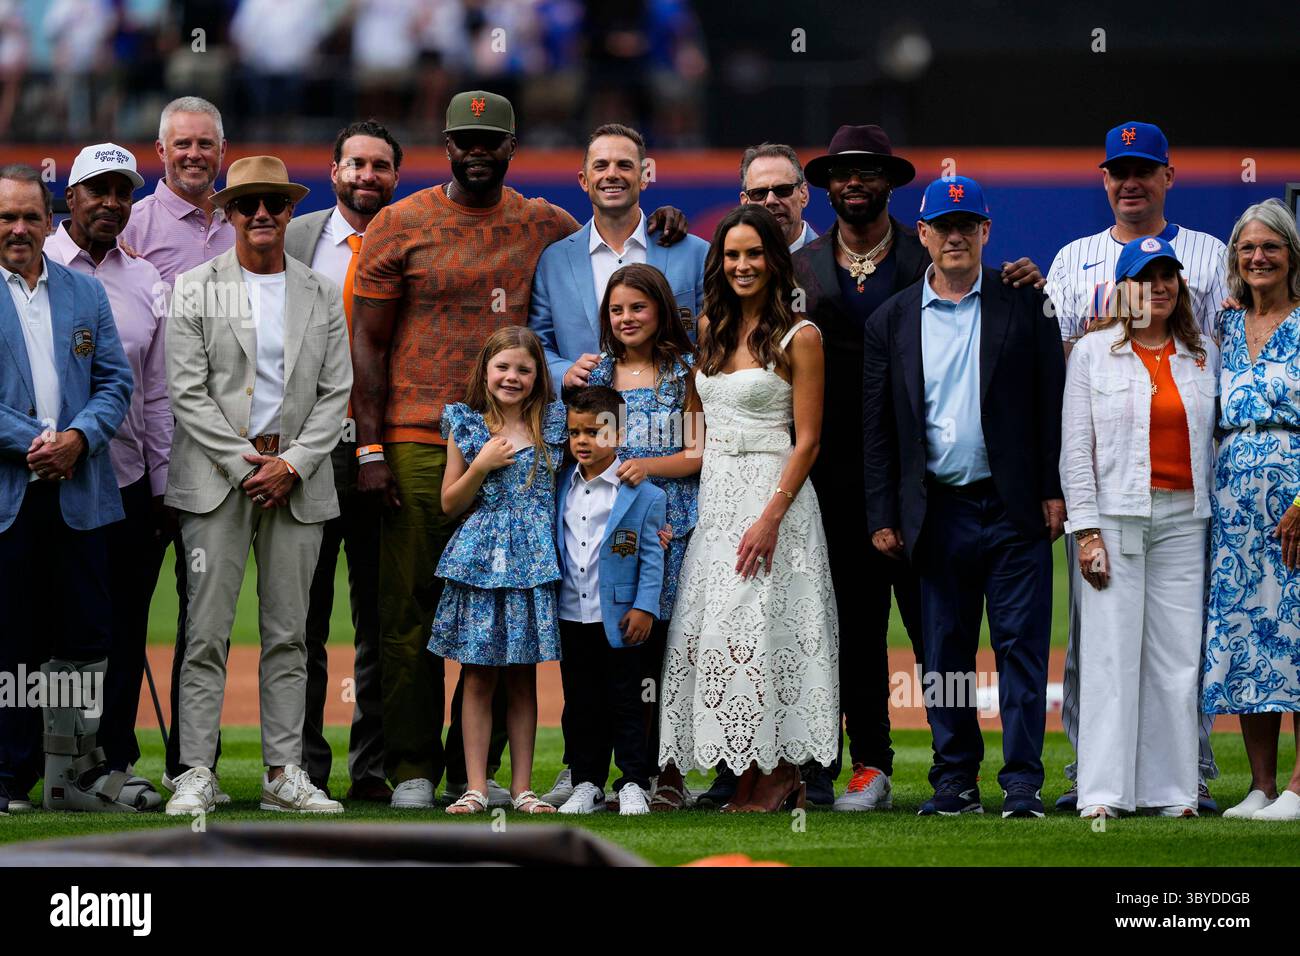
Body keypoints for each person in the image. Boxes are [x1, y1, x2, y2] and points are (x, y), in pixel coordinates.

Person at [790, 124, 1043, 811]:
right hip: (851, 479)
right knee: (869, 632)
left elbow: (1043, 392)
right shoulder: (806, 267)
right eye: (843, 172)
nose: (854, 182)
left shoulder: (973, 277)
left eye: (869, 171)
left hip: (957, 487)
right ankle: (890, 767)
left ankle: (991, 778)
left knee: (970, 641)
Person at [350, 91, 580, 810]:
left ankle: (472, 777)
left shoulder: (544, 222)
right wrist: (369, 448)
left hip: (518, 444)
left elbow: (607, 253)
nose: (476, 151)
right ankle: (413, 767)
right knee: (410, 610)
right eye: (463, 140)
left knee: (504, 616)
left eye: (490, 141)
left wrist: (660, 230)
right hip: (419, 436)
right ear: (445, 146)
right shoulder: (401, 222)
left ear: (511, 147)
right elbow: (367, 344)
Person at [863, 176, 1065, 819]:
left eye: (967, 224)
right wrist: (882, 513)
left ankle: (1023, 783)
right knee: (946, 652)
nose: (955, 236)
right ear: (921, 234)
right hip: (937, 509)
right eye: (942, 226)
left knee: (1021, 650)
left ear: (985, 231)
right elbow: (879, 429)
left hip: (1011, 509)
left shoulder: (1025, 302)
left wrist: (1054, 491)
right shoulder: (890, 319)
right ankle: (955, 780)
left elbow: (1051, 404)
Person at [1046, 120, 1229, 813]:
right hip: (1117, 513)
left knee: (1176, 657)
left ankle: (1176, 788)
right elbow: (1076, 445)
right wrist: (1085, 528)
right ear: (1121, 287)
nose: (1156, 287)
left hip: (1186, 513)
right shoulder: (1094, 353)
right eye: (1142, 279)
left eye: (1165, 278)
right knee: (1109, 655)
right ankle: (1100, 790)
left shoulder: (1200, 355)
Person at [163, 156, 352, 816]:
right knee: (205, 633)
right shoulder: (194, 287)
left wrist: (292, 463)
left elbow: (337, 392)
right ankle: (194, 772)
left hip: (296, 479)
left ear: (289, 209)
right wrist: (250, 467)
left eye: (274, 202)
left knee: (290, 634)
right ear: (227, 213)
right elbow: (186, 393)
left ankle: (283, 773)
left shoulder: (320, 293)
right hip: (220, 482)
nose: (263, 214)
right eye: (248, 205)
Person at [658, 204, 839, 813]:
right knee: (723, 629)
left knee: (775, 626)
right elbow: (694, 435)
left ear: (774, 260)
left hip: (776, 496)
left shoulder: (801, 335)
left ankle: (783, 771)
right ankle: (745, 764)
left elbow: (809, 439)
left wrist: (770, 516)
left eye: (754, 254)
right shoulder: (708, 329)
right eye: (732, 255)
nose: (742, 265)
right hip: (716, 496)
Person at [0, 163, 142, 814]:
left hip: (81, 491)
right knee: (13, 639)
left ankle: (70, 771)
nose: (19, 228)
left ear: (50, 218)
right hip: (11, 492)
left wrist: (79, 438)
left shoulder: (83, 294)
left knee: (85, 637)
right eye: (7, 217)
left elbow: (116, 381)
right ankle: (10, 774)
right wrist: (32, 440)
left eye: (30, 215)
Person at [44, 144, 170, 795]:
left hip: (121, 484)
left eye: (123, 193)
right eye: (99, 191)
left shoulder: (146, 279)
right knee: (41, 627)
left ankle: (112, 758)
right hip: (42, 482)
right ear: (71, 197)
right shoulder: (34, 269)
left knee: (120, 631)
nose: (111, 204)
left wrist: (161, 487)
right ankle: (37, 761)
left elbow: (155, 397)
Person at [119, 94, 235, 798]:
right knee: (124, 615)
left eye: (205, 144)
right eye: (181, 144)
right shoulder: (131, 228)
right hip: (144, 453)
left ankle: (196, 767)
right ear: (161, 152)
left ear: (221, 151)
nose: (194, 154)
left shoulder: (246, 224)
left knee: (207, 621)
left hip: (224, 457)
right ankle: (111, 759)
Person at [284, 119, 401, 802]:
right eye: (355, 163)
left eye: (379, 166)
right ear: (333, 172)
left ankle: (376, 769)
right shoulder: (295, 240)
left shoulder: (413, 234)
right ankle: (299, 765)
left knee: (383, 622)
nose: (366, 176)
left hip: (386, 449)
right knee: (300, 621)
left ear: (394, 175)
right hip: (308, 454)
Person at [571, 263, 699, 811]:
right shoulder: (598, 374)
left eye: (638, 307)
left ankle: (664, 770)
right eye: (617, 309)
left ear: (661, 309)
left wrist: (647, 466)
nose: (627, 318)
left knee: (666, 647)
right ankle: (595, 772)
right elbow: (573, 438)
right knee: (611, 649)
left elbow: (699, 452)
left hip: (672, 521)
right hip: (608, 525)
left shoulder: (684, 372)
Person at [429, 327, 565, 816]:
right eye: (503, 367)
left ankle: (524, 788)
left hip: (533, 564)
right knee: (478, 676)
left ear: (537, 377)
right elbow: (449, 503)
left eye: (524, 370)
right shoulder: (466, 426)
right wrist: (481, 464)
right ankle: (476, 786)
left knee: (523, 678)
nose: (512, 377)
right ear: (486, 371)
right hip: (481, 564)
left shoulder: (555, 425)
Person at [1203, 199, 1300, 821]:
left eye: (1271, 247)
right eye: (1247, 248)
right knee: (1245, 638)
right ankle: (1261, 786)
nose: (1258, 257)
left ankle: (1298, 787)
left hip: (1294, 501)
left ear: (1292, 255)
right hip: (1233, 503)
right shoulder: (1225, 330)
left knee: (1296, 636)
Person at [554, 385, 668, 816]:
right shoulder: (559, 483)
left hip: (621, 617)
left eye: (594, 432)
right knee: (581, 702)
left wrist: (645, 607)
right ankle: (586, 782)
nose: (582, 441)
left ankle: (635, 781)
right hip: (571, 613)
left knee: (627, 700)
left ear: (618, 435)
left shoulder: (643, 494)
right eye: (574, 432)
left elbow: (652, 557)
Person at [529, 121, 704, 399]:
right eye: (600, 166)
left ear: (645, 177)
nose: (612, 174)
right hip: (582, 427)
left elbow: (717, 339)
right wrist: (564, 372)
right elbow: (538, 342)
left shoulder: (694, 253)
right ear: (584, 180)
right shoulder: (554, 261)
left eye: (624, 165)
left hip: (675, 426)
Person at [739, 142, 817, 252]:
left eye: (782, 190)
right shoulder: (728, 266)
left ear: (803, 194)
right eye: (759, 193)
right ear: (745, 203)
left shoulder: (835, 263)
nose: (771, 200)